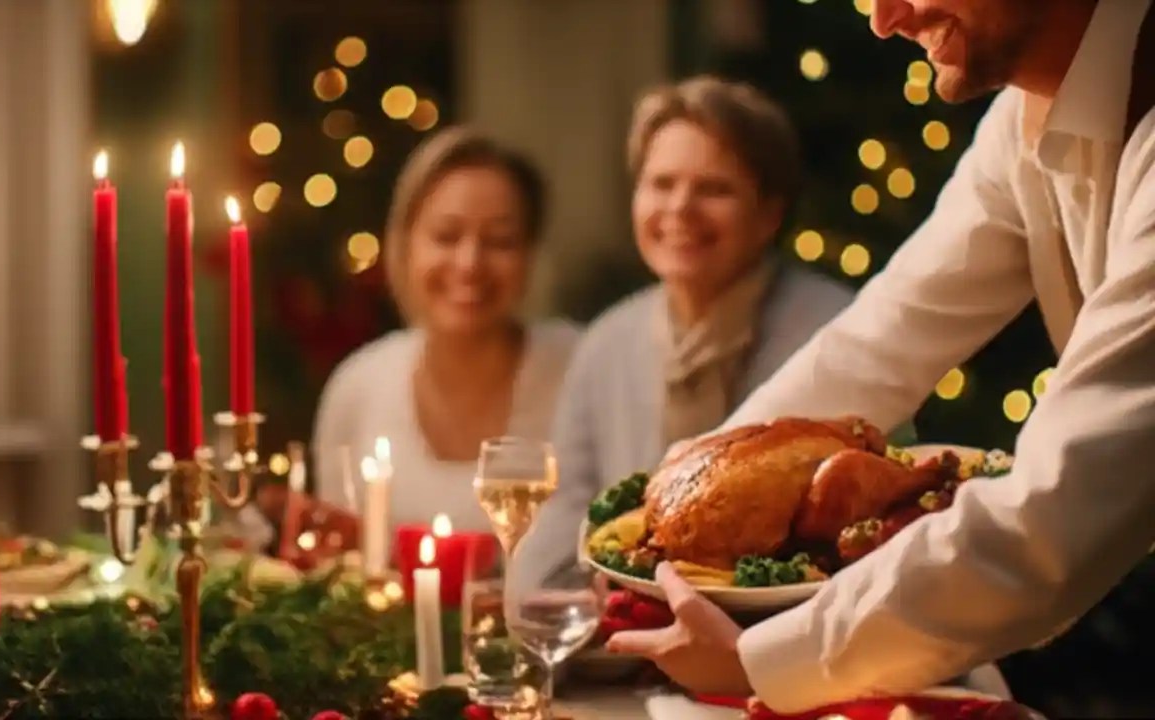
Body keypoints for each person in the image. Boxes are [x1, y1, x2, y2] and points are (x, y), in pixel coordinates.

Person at [607, 0, 1155, 713]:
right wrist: (670, 546)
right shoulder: (1025, 120)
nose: (885, 18)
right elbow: (876, 345)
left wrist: (757, 661)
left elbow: (1047, 525)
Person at [513, 76, 854, 584]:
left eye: (714, 189)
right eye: (662, 183)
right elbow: (560, 524)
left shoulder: (835, 330)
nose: (679, 209)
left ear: (769, 214)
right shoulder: (607, 342)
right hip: (624, 634)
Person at [311, 126, 578, 534]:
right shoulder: (357, 387)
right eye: (446, 236)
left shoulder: (581, 371)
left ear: (530, 254)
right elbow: (339, 567)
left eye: (500, 240)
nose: (470, 263)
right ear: (404, 245)